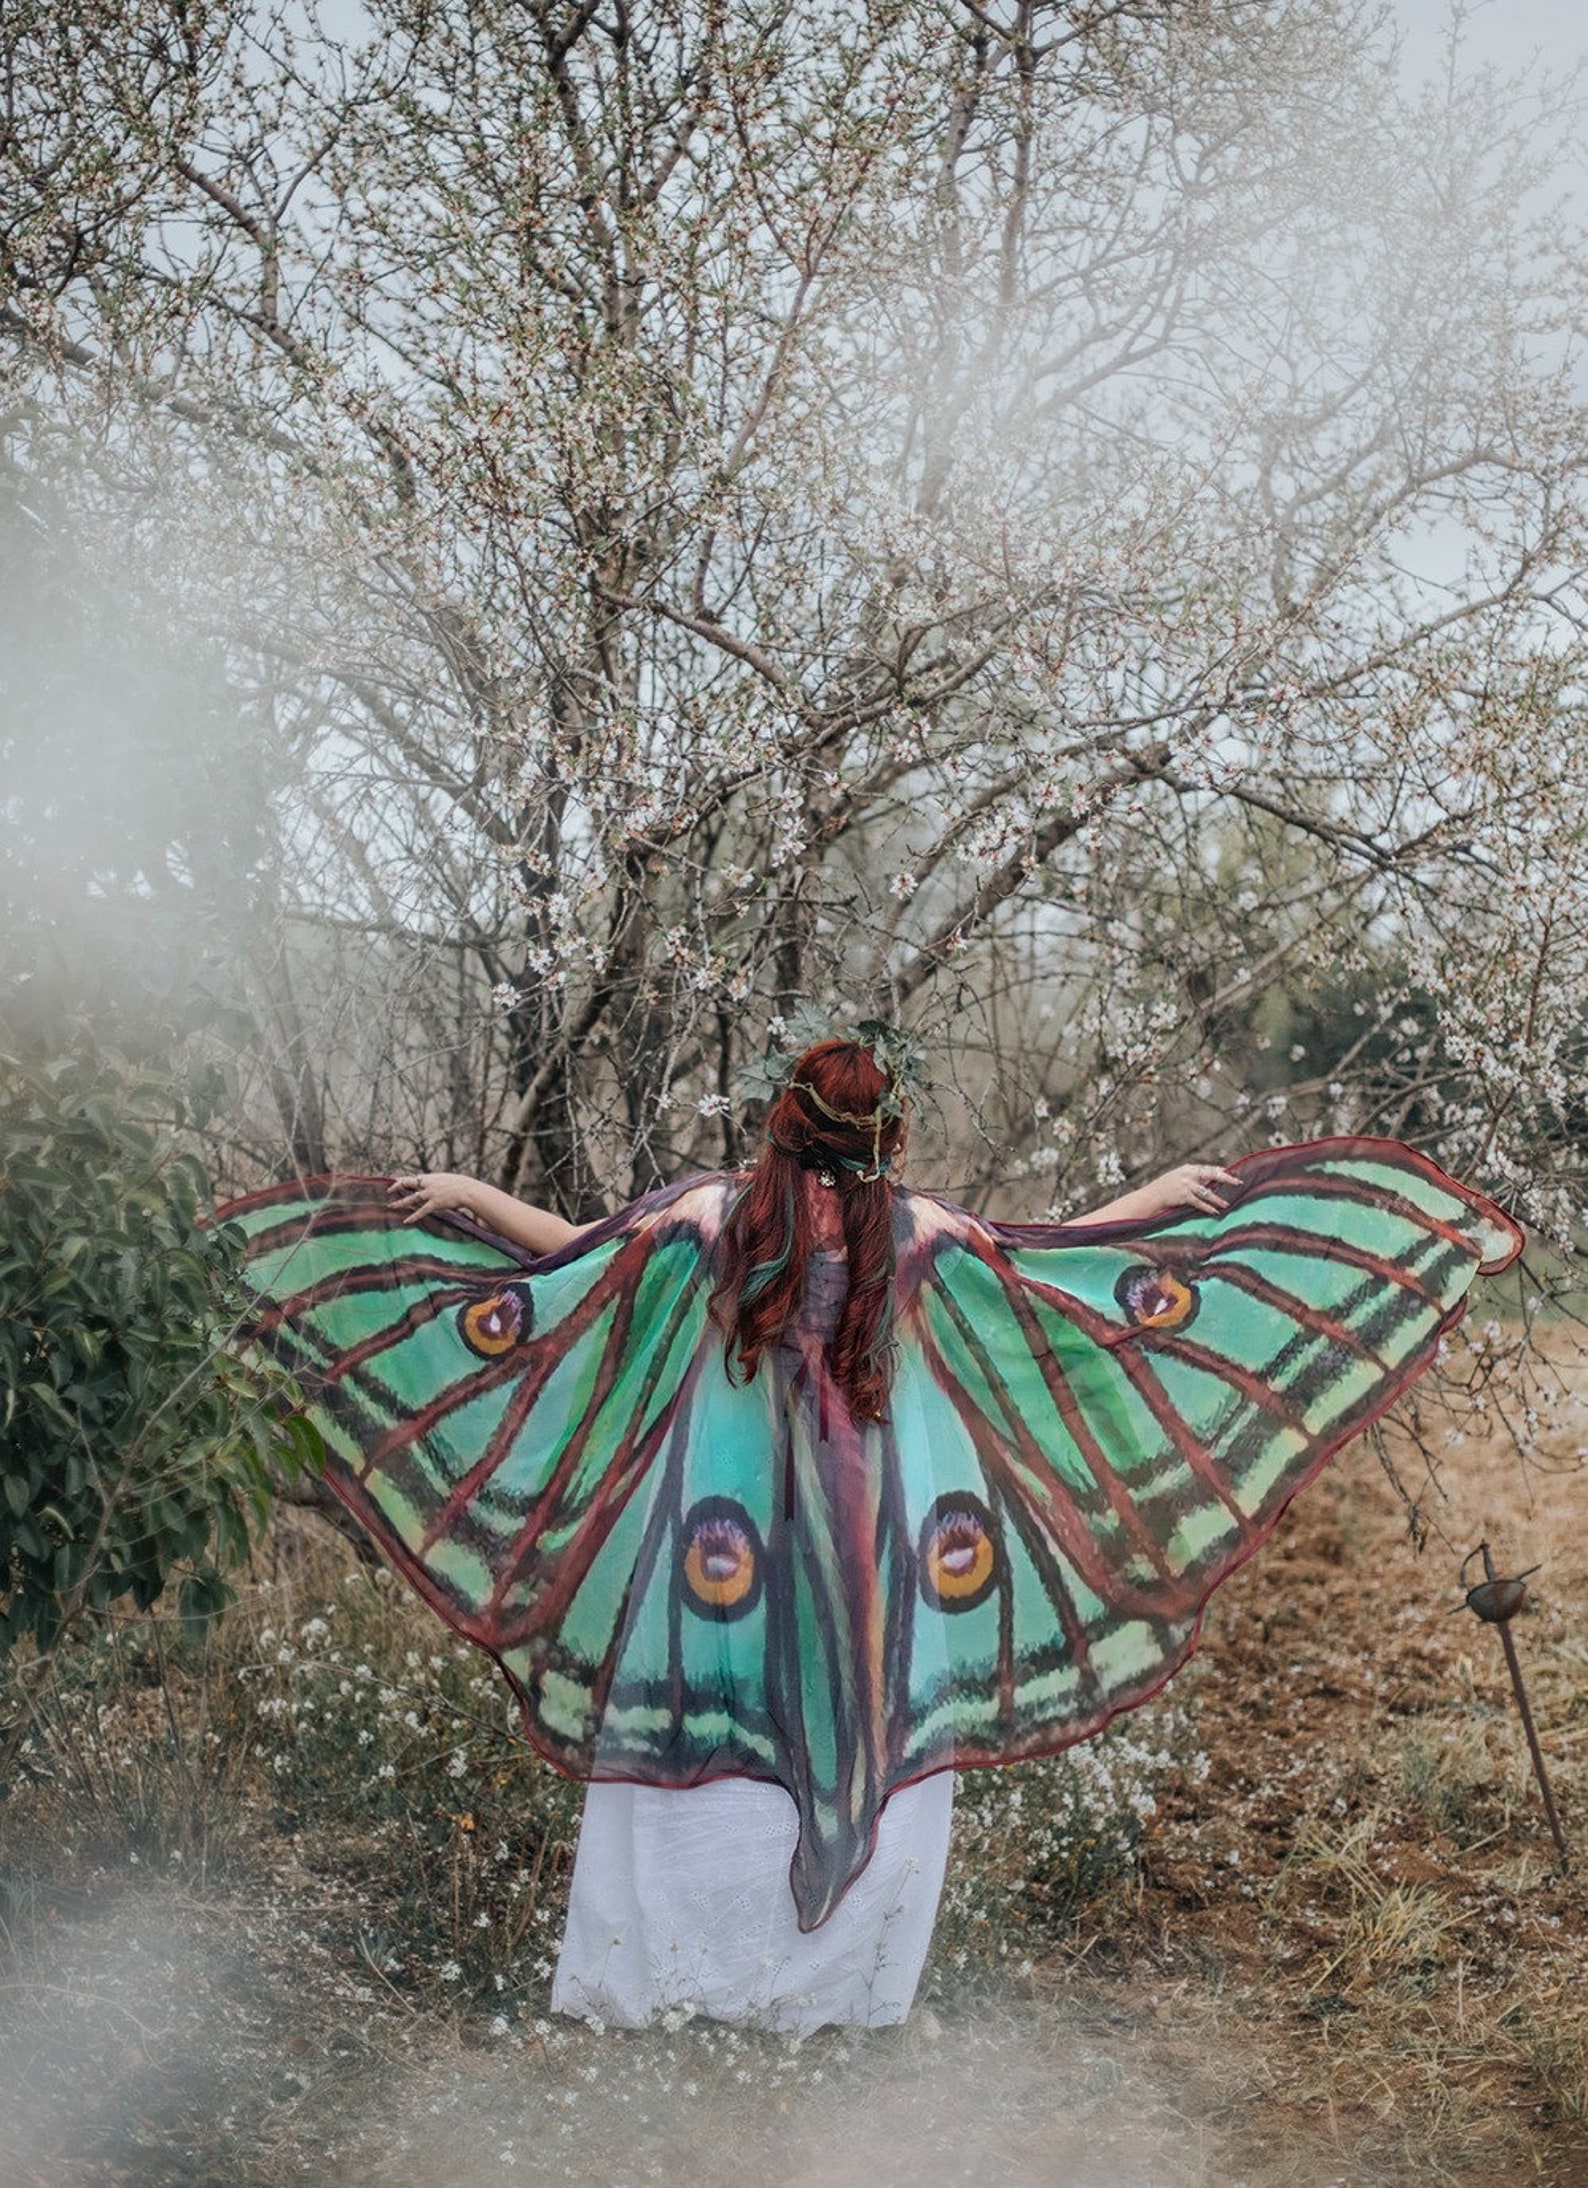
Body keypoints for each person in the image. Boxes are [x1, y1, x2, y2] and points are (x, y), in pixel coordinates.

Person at [224, 1034, 1521, 2035]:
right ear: (886, 1142)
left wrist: (465, 1197)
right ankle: (839, 1989)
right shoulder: (923, 1236)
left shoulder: (710, 1223)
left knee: (708, 1734)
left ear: (778, 1131)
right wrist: (1163, 1201)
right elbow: (1053, 1258)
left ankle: (674, 1981)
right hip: (876, 1567)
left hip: (718, 1558)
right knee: (877, 1729)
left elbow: (572, 1262)